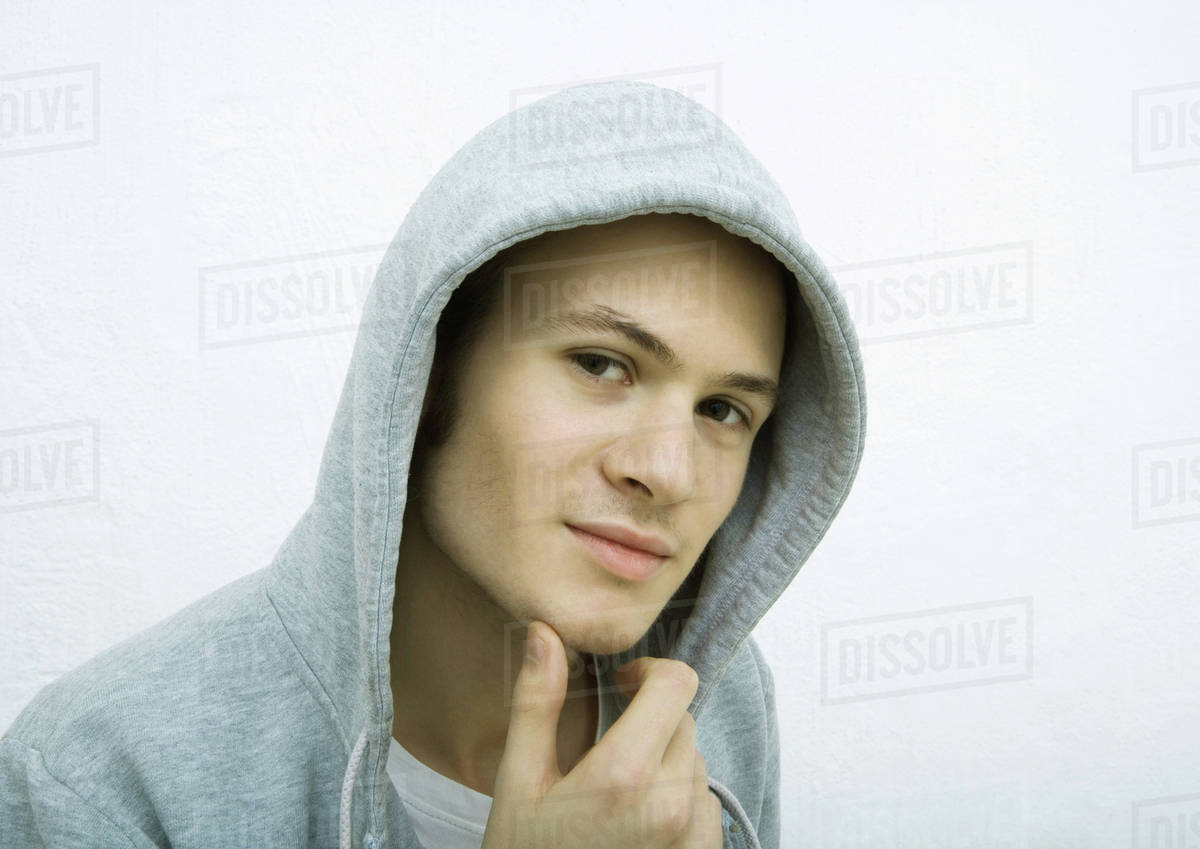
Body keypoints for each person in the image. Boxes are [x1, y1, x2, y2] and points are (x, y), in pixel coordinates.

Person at [1, 80, 866, 849]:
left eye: (723, 410)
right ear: (426, 369)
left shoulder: (716, 701)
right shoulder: (101, 779)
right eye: (601, 364)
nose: (668, 472)